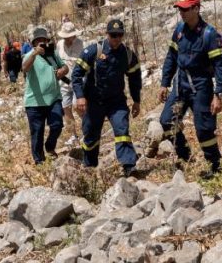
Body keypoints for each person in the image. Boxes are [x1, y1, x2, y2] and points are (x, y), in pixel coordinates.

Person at [159, 0, 222, 178]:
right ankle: (184, 156)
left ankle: (215, 167)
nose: (181, 12)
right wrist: (164, 83)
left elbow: (220, 67)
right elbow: (171, 58)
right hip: (180, 85)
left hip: (201, 87)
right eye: (179, 9)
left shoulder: (208, 34)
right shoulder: (179, 31)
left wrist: (218, 94)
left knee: (204, 130)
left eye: (185, 9)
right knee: (167, 120)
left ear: (196, 9)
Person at [72, 19, 142, 177]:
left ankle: (129, 166)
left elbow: (135, 79)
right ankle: (89, 166)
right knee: (91, 134)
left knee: (122, 129)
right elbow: (76, 74)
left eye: (119, 35)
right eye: (113, 35)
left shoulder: (128, 55)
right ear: (107, 34)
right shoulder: (93, 51)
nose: (116, 38)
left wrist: (136, 100)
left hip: (116, 101)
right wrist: (80, 97)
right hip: (94, 101)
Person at [21, 27, 67, 165]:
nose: (42, 42)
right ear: (34, 43)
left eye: (44, 40)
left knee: (57, 124)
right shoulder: (29, 55)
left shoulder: (53, 54)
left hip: (53, 98)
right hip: (34, 102)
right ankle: (39, 160)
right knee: (37, 132)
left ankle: (50, 146)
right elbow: (25, 68)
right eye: (38, 41)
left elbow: (65, 67)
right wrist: (34, 53)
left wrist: (61, 71)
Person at [55, 21, 84, 146]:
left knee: (77, 106)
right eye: (65, 37)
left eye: (69, 37)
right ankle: (74, 135)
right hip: (63, 82)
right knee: (66, 108)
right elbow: (57, 61)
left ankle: (87, 131)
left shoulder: (81, 44)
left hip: (78, 80)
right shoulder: (59, 44)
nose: (67, 39)